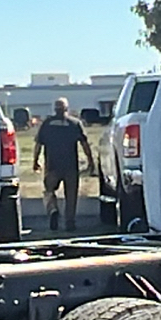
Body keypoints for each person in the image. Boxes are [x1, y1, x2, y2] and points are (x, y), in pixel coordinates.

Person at [32, 97, 93, 230]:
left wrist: (35, 161)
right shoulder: (75, 123)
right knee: (71, 196)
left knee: (49, 190)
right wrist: (90, 160)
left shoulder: (47, 124)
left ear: (55, 109)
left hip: (52, 166)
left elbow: (38, 144)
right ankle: (70, 222)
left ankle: (53, 209)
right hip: (71, 166)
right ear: (67, 109)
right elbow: (84, 144)